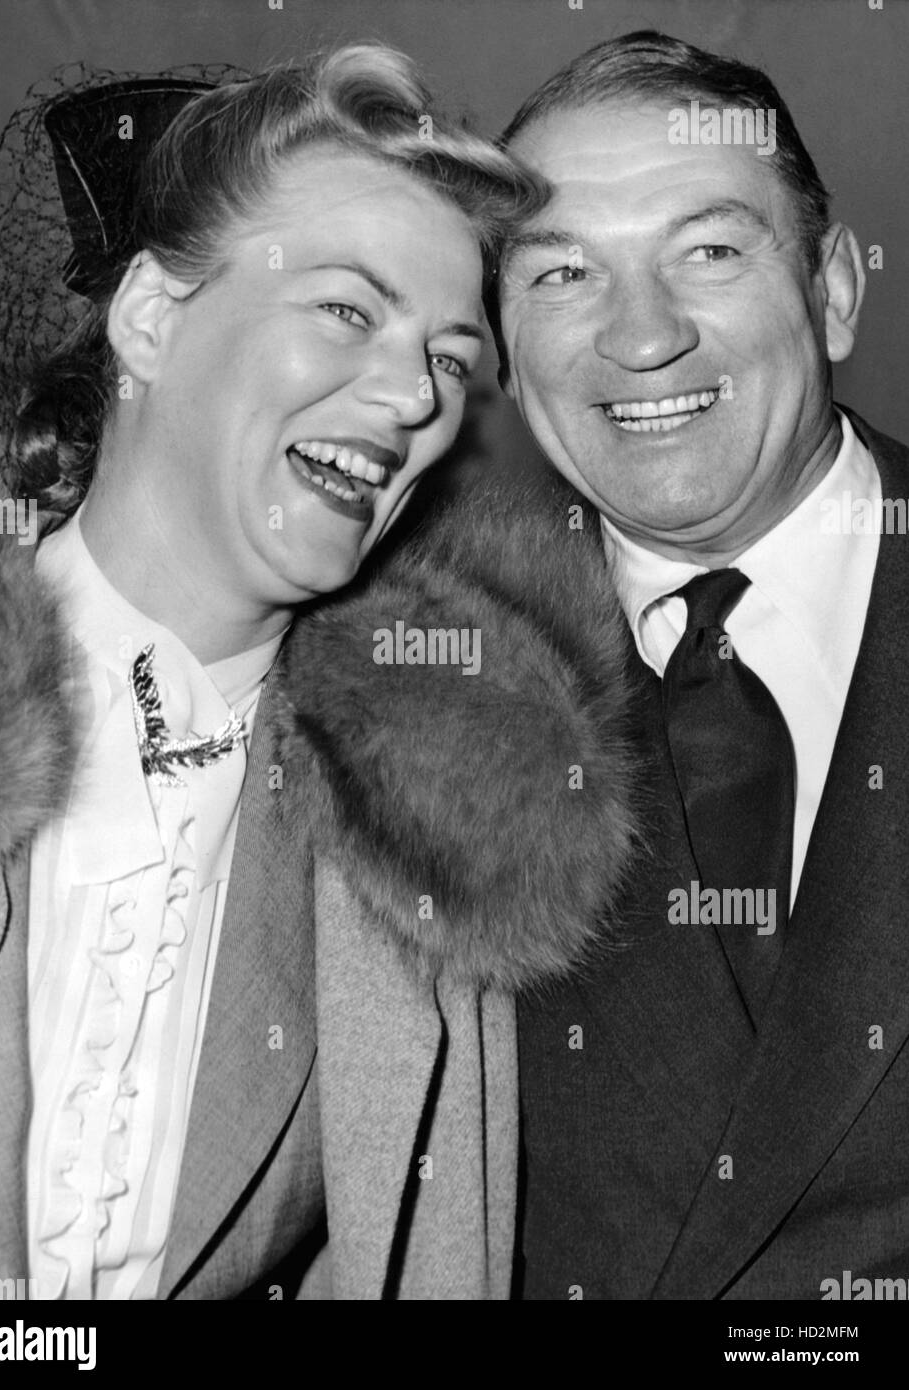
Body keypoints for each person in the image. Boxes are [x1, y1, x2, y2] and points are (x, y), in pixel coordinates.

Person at [0, 45, 636, 1300]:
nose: (407, 400)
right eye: (347, 311)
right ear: (152, 318)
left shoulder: (419, 838)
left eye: (445, 358)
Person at [492, 30, 909, 1299]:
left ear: (833, 289)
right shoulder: (409, 681)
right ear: (499, 352)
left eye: (709, 252)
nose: (641, 337)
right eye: (562, 274)